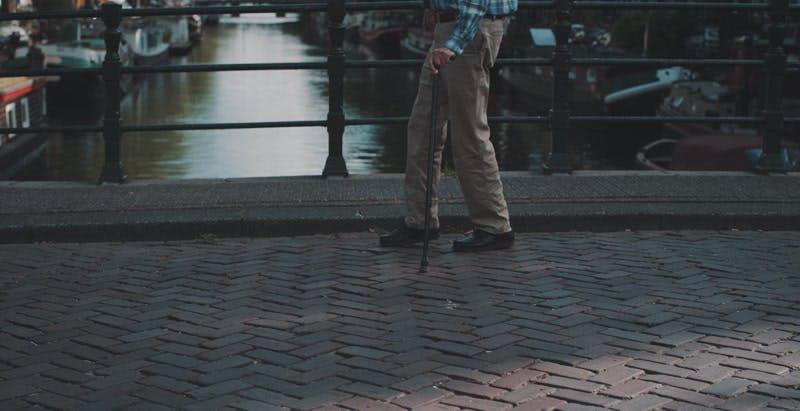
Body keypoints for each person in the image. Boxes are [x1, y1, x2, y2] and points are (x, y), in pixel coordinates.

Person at [380, 0, 517, 252]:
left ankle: (494, 227)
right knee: (422, 128)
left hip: (468, 30)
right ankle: (420, 222)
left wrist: (454, 43)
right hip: (450, 27)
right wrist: (434, 7)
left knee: (469, 134)